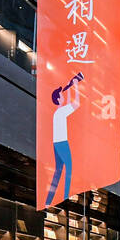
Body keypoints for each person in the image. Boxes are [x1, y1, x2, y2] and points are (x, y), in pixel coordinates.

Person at [44, 73, 83, 204]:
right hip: (62, 143)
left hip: (56, 144)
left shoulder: (58, 113)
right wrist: (76, 86)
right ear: (58, 99)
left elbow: (68, 104)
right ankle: (65, 197)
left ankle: (49, 200)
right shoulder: (60, 113)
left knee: (58, 171)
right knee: (69, 168)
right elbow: (76, 104)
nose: (63, 95)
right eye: (61, 95)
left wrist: (69, 88)